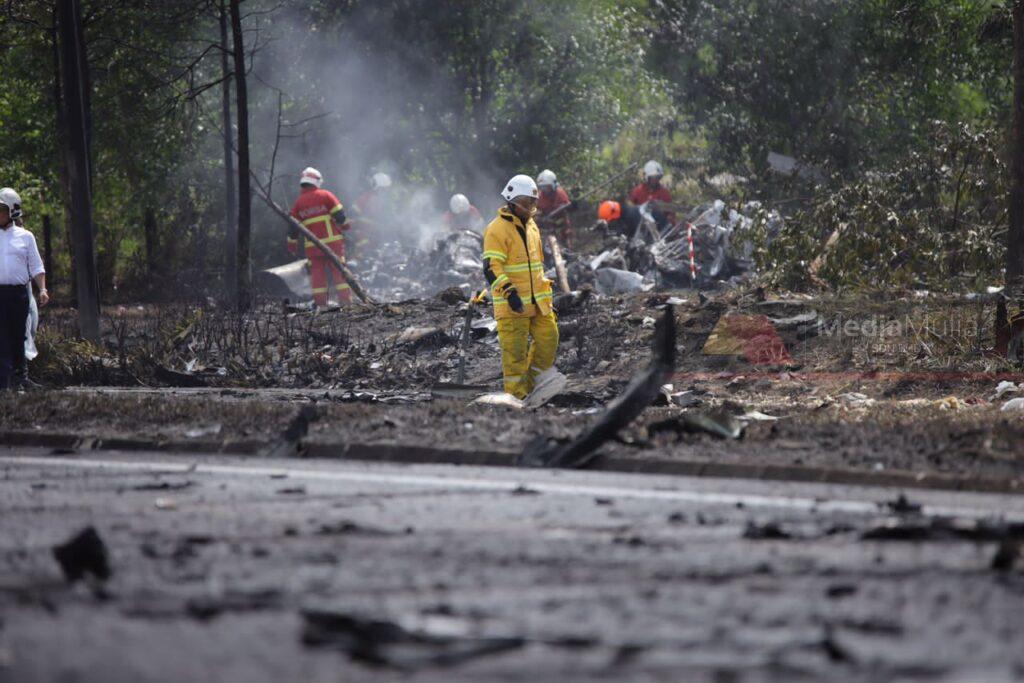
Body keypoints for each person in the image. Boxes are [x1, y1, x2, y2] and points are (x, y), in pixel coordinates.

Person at [482, 174, 565, 406]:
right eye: (526, 203)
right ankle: (517, 399)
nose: (530, 208)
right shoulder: (496, 229)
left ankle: (534, 385)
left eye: (533, 203)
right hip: (512, 305)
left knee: (549, 339)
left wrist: (547, 297)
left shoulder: (532, 227)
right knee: (515, 356)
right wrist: (510, 293)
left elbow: (536, 266)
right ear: (512, 202)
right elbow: (491, 267)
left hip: (539, 303)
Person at [0, 187, 48, 390]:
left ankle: (20, 377)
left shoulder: (26, 237)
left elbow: (36, 266)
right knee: (1, 336)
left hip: (18, 294)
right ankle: (4, 382)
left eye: (2, 209)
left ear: (12, 210)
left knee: (20, 335)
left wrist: (42, 289)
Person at [288, 167, 351, 306]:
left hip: (313, 248)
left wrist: (292, 244)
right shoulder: (326, 195)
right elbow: (340, 216)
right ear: (316, 181)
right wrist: (346, 226)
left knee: (317, 277)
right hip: (333, 245)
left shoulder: (298, 203)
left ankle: (321, 306)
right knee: (340, 273)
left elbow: (293, 228)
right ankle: (346, 303)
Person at [629, 159, 675, 226]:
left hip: (659, 227)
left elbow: (671, 214)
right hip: (639, 226)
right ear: (647, 177)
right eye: (653, 177)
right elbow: (630, 209)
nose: (655, 180)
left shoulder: (664, 193)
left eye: (657, 177)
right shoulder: (638, 191)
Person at [535, 169, 573, 248]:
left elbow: (567, 208)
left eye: (546, 187)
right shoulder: (540, 197)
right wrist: (539, 217)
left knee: (565, 245)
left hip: (562, 227)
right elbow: (536, 211)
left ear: (553, 185)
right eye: (542, 187)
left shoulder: (560, 194)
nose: (544, 190)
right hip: (547, 228)